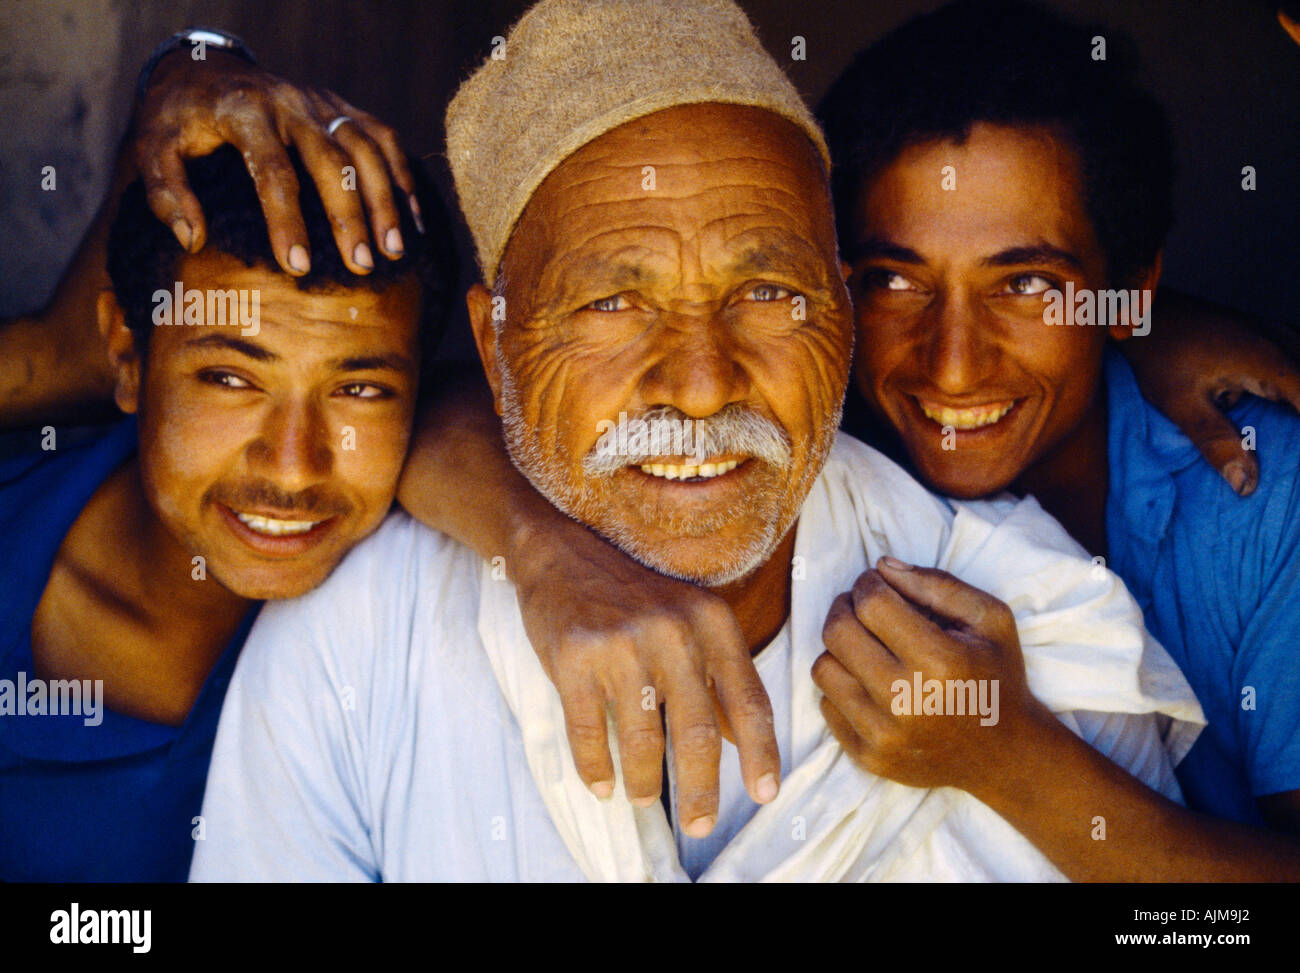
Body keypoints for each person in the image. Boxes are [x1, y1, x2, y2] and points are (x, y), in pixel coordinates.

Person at [190, 0, 1201, 883]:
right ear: (494, 349)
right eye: (613, 303)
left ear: (843, 315)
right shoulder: (358, 640)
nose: (703, 384)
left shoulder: (1027, 635)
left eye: (766, 292)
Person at [0, 143, 450, 881]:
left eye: (360, 390)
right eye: (231, 377)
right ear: (126, 353)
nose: (294, 465)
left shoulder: (428, 612)